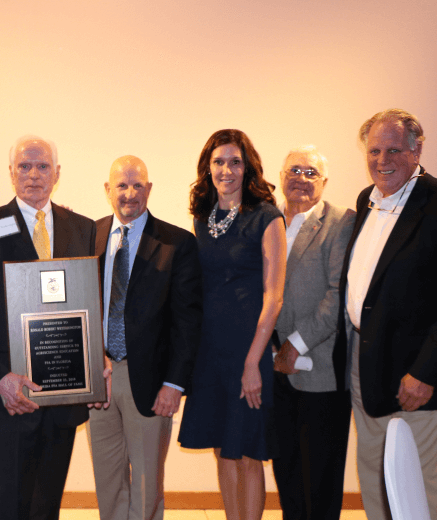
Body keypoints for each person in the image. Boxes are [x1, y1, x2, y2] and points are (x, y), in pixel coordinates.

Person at [334, 109, 437, 520]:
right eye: (375, 150)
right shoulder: (368, 200)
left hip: (419, 383)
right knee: (376, 484)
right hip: (368, 372)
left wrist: (426, 374)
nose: (383, 160)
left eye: (395, 149)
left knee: (421, 494)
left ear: (417, 149)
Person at [0, 135, 99, 520]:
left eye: (42, 166)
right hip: (10, 394)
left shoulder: (81, 227)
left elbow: (88, 306)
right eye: (24, 166)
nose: (34, 175)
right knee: (7, 502)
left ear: (57, 173)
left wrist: (94, 362)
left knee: (46, 503)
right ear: (11, 173)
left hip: (63, 396)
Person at [178, 129, 286, 520]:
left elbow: (274, 296)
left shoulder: (268, 217)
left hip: (248, 349)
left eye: (235, 162)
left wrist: (253, 362)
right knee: (222, 447)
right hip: (211, 350)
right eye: (219, 162)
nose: (227, 170)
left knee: (248, 452)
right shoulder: (203, 219)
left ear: (248, 167)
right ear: (207, 169)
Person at [89, 155, 202, 520]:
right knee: (107, 482)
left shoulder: (177, 243)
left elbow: (187, 322)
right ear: (108, 190)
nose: (130, 193)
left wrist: (174, 383)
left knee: (146, 484)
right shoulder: (89, 236)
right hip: (100, 377)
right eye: (122, 185)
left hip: (151, 381)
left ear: (149, 189)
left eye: (138, 185)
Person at [270, 146, 355, 520]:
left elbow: (338, 295)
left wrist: (295, 344)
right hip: (274, 370)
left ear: (324, 182)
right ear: (281, 177)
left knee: (320, 475)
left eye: (310, 172)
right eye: (294, 170)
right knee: (285, 469)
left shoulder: (340, 222)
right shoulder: (269, 222)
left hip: (321, 372)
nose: (301, 178)